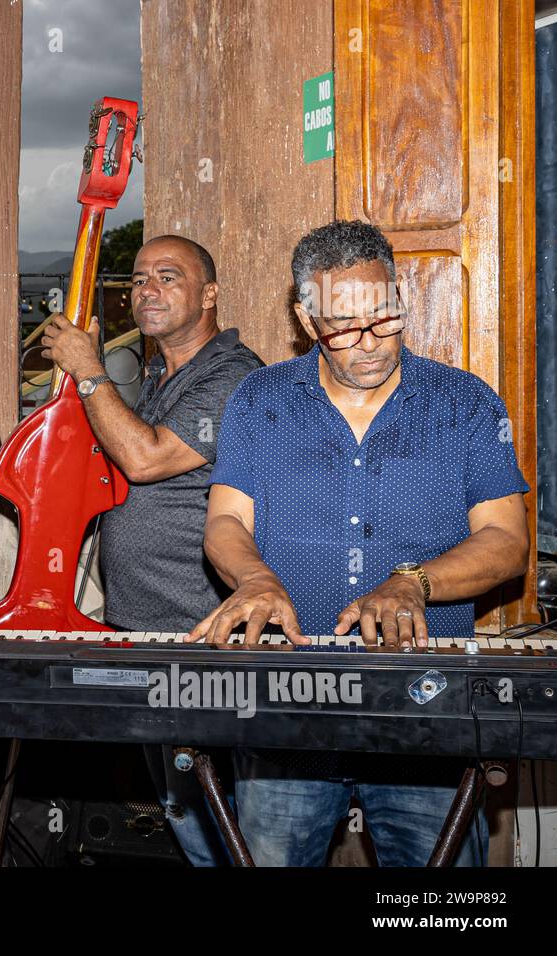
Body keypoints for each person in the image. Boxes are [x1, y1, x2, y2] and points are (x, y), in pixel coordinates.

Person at [190, 219, 530, 866]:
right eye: (345, 327)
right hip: (287, 702)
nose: (371, 344)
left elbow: (506, 541)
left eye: (385, 318)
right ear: (305, 317)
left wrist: (414, 582)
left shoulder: (464, 403)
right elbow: (226, 523)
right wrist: (256, 580)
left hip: (424, 704)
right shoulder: (258, 401)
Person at [42, 235, 262, 865]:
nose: (148, 291)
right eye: (138, 280)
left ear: (210, 295)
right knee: (186, 814)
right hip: (148, 629)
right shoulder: (165, 373)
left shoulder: (234, 376)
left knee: (224, 821)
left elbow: (144, 458)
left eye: (169, 277)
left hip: (196, 631)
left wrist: (87, 371)